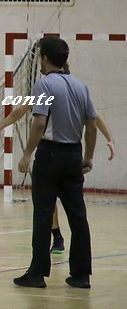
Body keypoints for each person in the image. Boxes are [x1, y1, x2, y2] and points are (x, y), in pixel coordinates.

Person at [0, 66, 115, 255]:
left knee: (55, 204)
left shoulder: (61, 91)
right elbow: (19, 112)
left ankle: (45, 259)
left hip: (55, 154)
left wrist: (27, 154)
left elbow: (95, 119)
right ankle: (61, 241)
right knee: (59, 204)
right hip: (70, 155)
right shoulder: (52, 93)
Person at [13, 36, 97, 289]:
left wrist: (27, 154)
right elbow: (91, 125)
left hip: (50, 155)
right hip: (73, 155)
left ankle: (37, 274)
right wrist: (88, 157)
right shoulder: (81, 86)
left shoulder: (44, 84)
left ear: (45, 59)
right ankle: (81, 275)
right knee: (78, 216)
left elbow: (39, 122)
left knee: (43, 214)